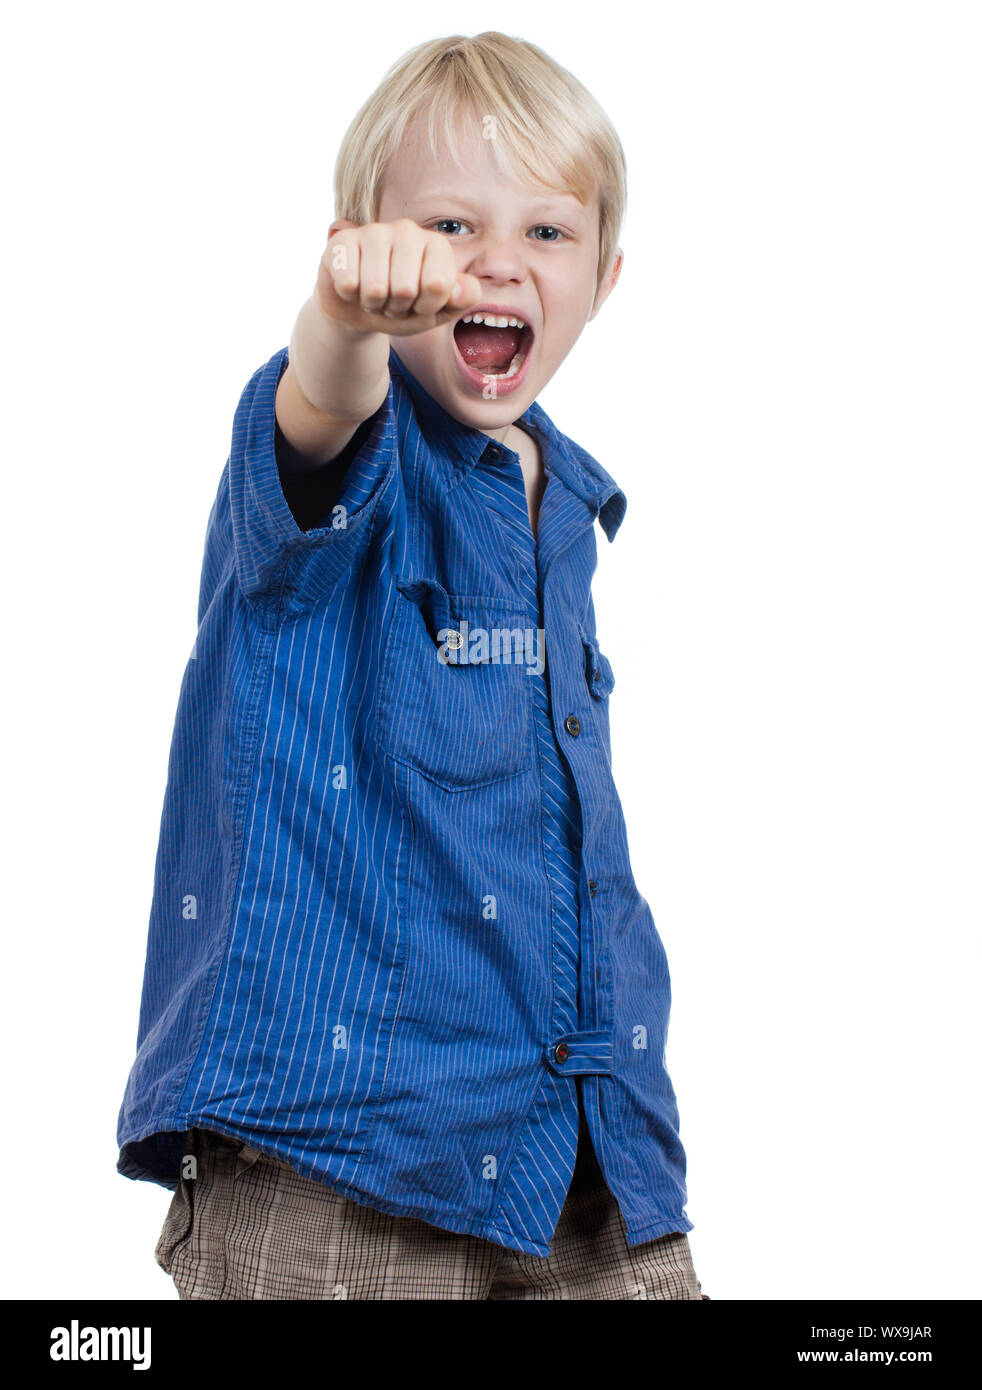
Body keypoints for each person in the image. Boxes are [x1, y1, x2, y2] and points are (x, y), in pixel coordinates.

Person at [117, 30, 709, 1301]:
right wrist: (341, 319)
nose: (498, 259)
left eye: (547, 234)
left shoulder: (563, 505)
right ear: (364, 247)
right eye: (447, 225)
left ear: (604, 279)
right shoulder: (349, 443)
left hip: (588, 1158)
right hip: (346, 1167)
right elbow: (319, 405)